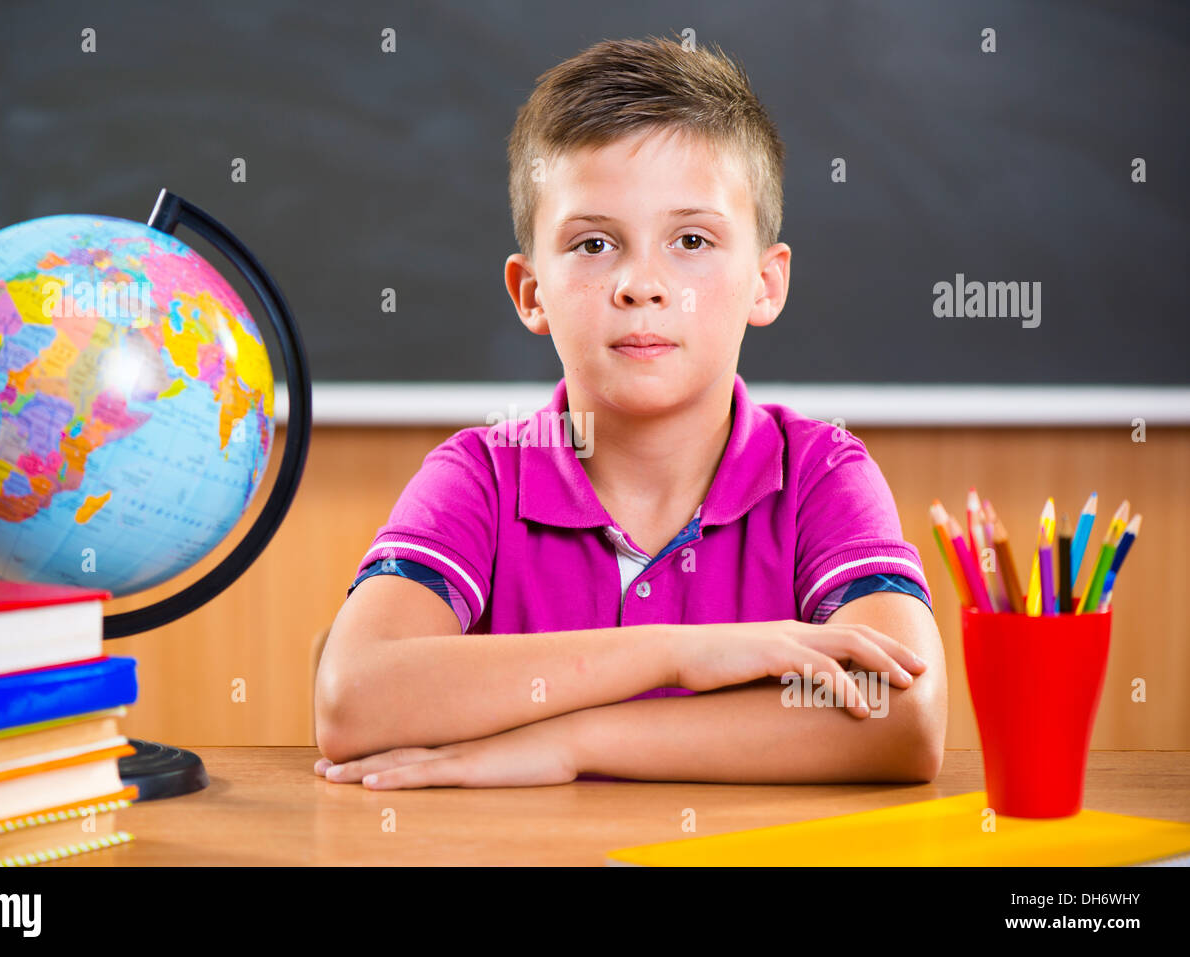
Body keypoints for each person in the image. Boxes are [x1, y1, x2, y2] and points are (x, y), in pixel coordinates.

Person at [315, 35, 946, 789]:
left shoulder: (818, 476)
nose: (642, 284)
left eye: (690, 239)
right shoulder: (482, 476)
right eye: (592, 243)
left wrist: (574, 740)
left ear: (765, 283)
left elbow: (901, 717)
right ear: (530, 292)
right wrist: (678, 654)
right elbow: (353, 700)